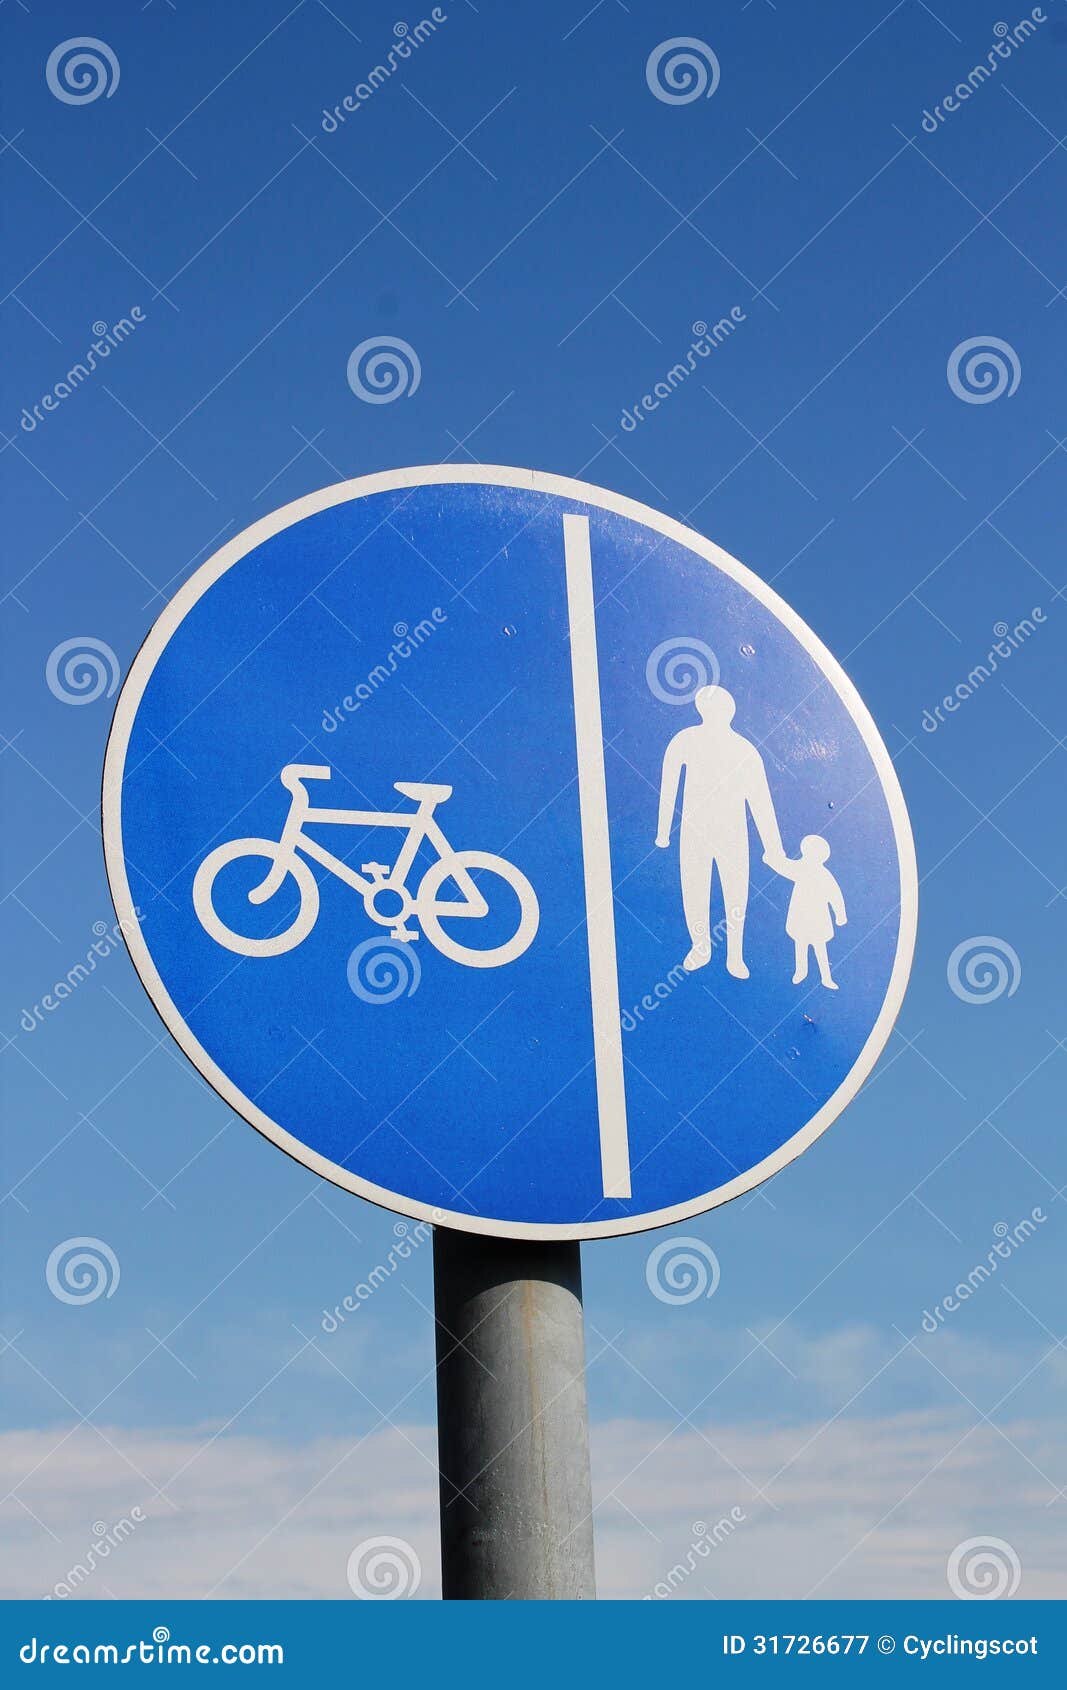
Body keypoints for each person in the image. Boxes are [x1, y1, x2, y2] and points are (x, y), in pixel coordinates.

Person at [656, 685, 786, 975]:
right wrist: (663, 830)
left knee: (735, 893)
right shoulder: (685, 740)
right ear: (702, 709)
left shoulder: (744, 750)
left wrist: (772, 847)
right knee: (695, 889)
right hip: (694, 830)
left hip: (733, 832)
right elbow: (669, 787)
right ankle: (700, 947)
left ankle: (735, 955)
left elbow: (762, 803)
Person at [772, 834, 846, 990]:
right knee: (801, 944)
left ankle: (826, 977)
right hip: (801, 916)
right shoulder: (801, 867)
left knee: (819, 947)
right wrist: (772, 861)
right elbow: (785, 867)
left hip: (818, 918)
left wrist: (840, 914)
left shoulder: (823, 874)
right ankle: (801, 972)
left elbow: (835, 895)